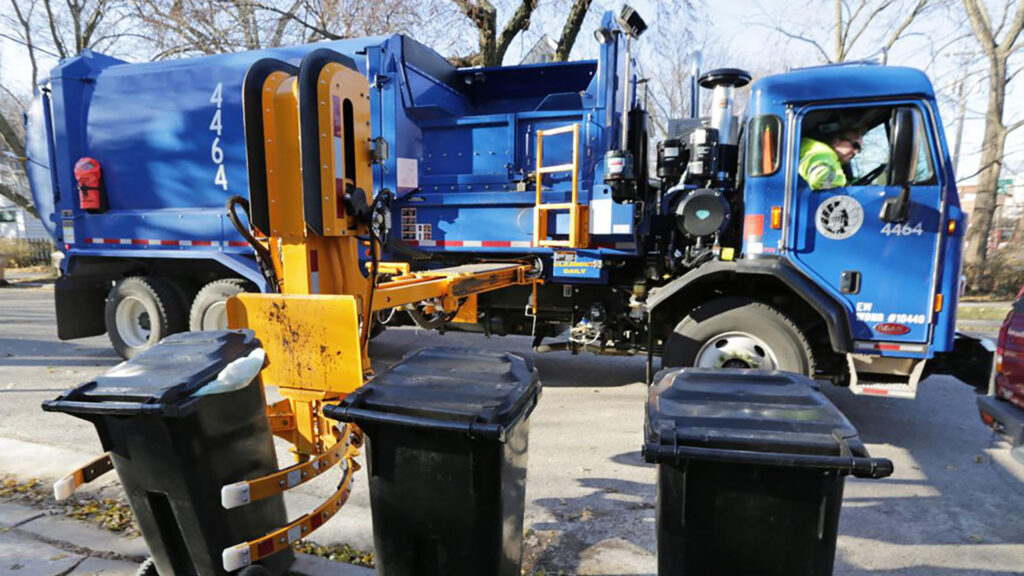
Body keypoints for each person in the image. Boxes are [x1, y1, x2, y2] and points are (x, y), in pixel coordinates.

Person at [798, 129, 863, 190]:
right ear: (836, 141)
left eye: (859, 150)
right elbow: (819, 179)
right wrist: (844, 185)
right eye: (855, 145)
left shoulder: (819, 151)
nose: (856, 152)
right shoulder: (823, 153)